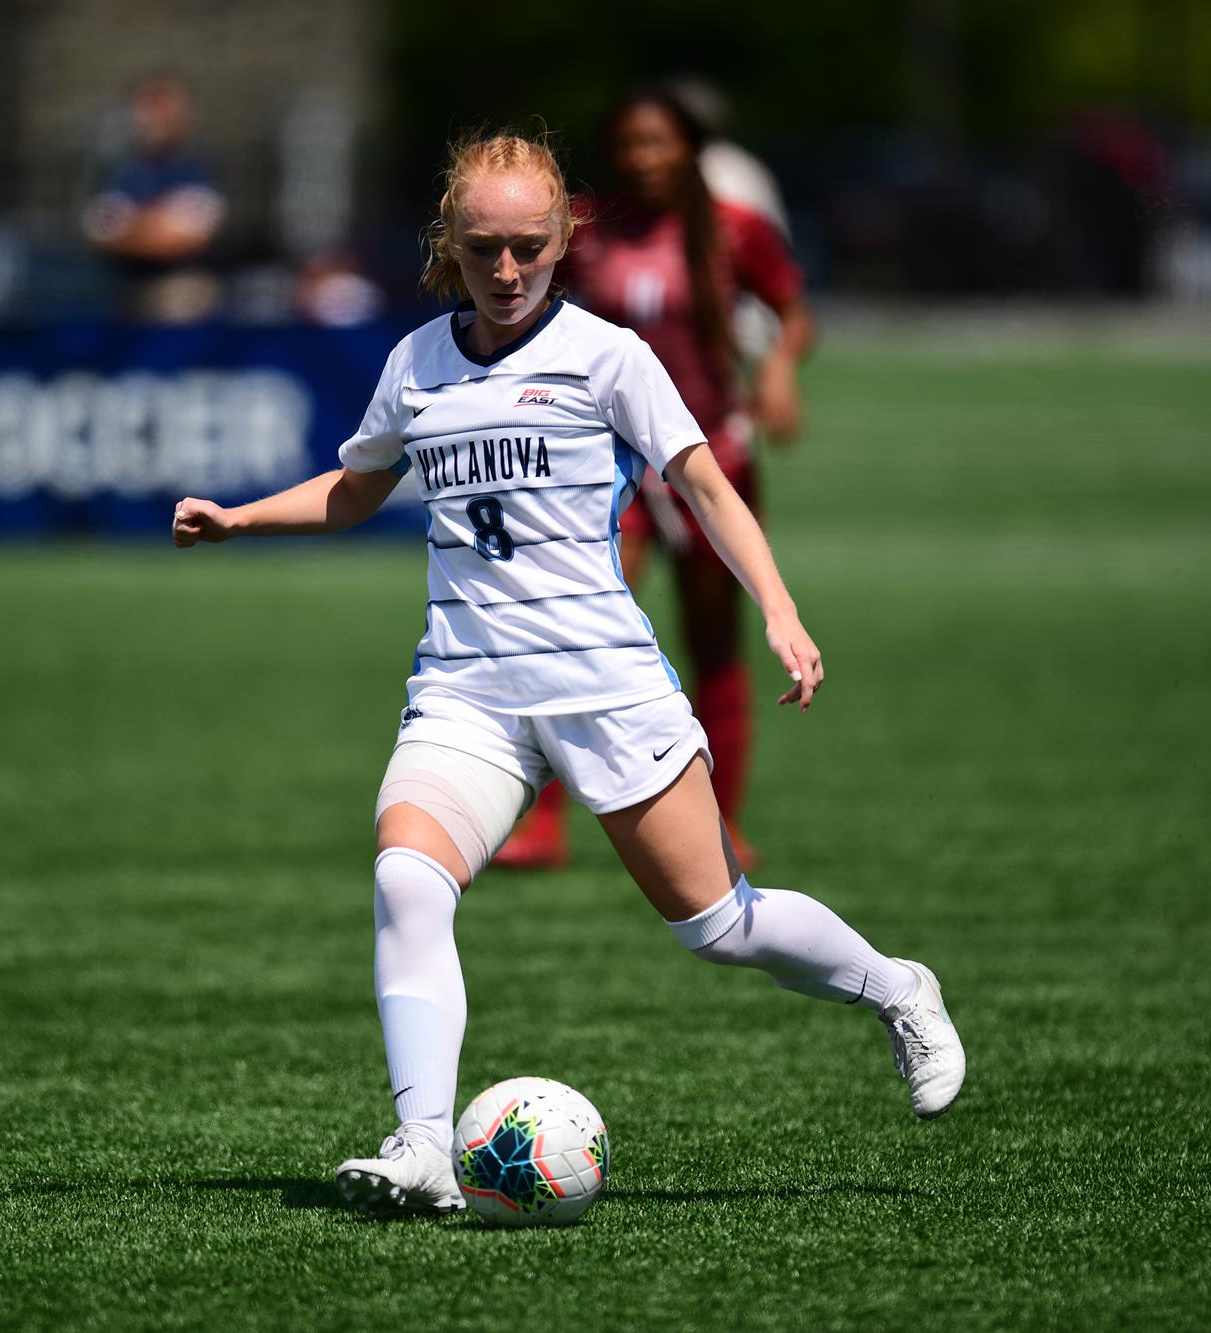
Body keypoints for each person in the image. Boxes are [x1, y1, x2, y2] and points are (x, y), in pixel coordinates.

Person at [171, 130, 964, 1216]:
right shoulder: (415, 364)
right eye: (482, 248)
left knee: (719, 925)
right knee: (406, 880)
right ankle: (422, 1145)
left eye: (528, 248)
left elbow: (706, 486)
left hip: (603, 688)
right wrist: (241, 518)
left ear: (562, 239)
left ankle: (898, 988)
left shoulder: (608, 357)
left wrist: (778, 609)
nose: (506, 270)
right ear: (448, 243)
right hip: (465, 691)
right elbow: (357, 487)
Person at [494, 85, 815, 871]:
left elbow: (793, 309)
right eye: (629, 144)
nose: (642, 158)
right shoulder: (586, 228)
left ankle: (722, 821)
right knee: (575, 631)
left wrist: (778, 365)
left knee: (713, 642)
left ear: (691, 149)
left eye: (659, 142)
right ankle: (544, 822)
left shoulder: (735, 229)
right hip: (607, 467)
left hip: (709, 461)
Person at [81, 73, 226, 323]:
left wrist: (133, 225)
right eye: (149, 108)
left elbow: (185, 239)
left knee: (186, 298)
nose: (157, 119)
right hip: (121, 285)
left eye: (166, 110)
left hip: (181, 284)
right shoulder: (117, 170)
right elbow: (100, 232)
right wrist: (156, 223)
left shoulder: (199, 169)